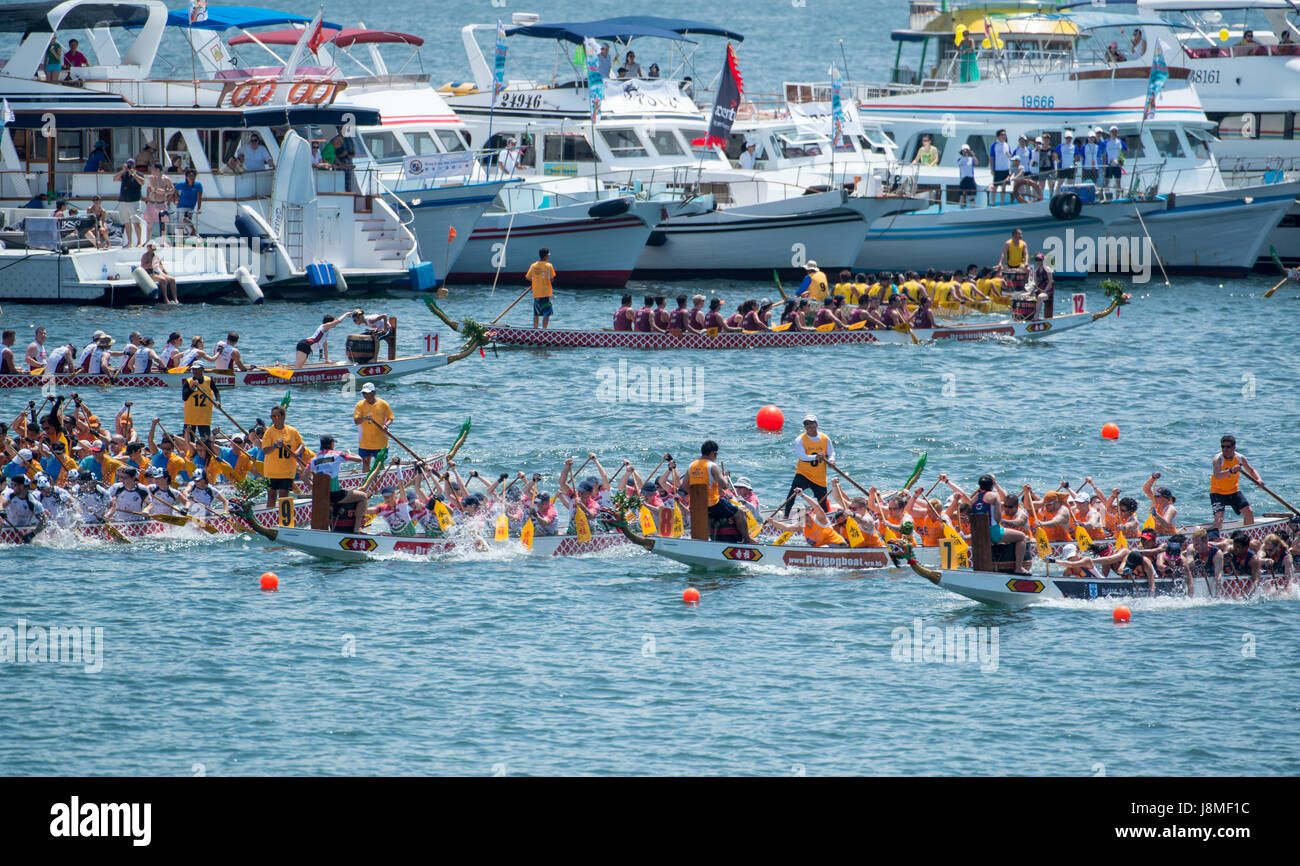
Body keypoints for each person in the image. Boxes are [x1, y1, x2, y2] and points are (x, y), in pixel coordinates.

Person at [688, 440, 754, 543]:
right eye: (716, 454)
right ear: (712, 453)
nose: (716, 456)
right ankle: (747, 539)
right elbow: (725, 485)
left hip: (696, 505)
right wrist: (724, 477)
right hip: (712, 505)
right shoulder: (712, 466)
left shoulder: (691, 466)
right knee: (740, 513)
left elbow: (683, 488)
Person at [308, 436, 369, 532]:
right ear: (332, 444)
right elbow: (359, 459)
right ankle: (357, 528)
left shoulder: (314, 459)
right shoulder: (338, 454)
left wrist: (314, 487)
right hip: (335, 495)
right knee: (363, 497)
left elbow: (303, 476)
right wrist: (351, 454)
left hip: (320, 496)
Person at [782, 414, 833, 517]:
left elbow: (831, 453)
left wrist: (831, 460)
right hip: (803, 473)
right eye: (806, 424)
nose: (808, 426)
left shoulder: (825, 438)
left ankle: (826, 519)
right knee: (792, 495)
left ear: (816, 424)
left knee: (823, 501)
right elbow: (802, 457)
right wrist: (816, 457)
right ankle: (786, 516)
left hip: (819, 476)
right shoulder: (800, 440)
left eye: (810, 423)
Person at [1210, 434, 1261, 529]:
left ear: (1234, 447)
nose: (1225, 449)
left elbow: (1251, 470)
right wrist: (1230, 470)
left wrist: (1258, 479)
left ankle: (1246, 537)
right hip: (1217, 492)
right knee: (1219, 519)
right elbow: (1217, 475)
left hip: (1234, 491)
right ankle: (1215, 539)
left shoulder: (1240, 458)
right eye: (1222, 446)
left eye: (1228, 447)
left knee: (1249, 513)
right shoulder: (1218, 459)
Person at [262, 404, 303, 511]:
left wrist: (297, 453)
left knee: (284, 496)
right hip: (271, 471)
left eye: (276, 416)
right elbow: (265, 450)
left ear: (283, 417)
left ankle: (284, 522)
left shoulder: (292, 431)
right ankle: (270, 519)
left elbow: (301, 445)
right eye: (272, 417)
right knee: (271, 497)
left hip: (287, 471)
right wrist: (275, 446)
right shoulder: (269, 432)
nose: (273, 419)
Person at [353, 382, 393, 472]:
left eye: (368, 393)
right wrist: (365, 418)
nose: (366, 395)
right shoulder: (360, 405)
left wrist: (386, 425)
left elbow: (391, 418)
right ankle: (366, 483)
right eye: (364, 393)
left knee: (379, 464)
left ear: (374, 392)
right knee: (366, 462)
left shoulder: (383, 404)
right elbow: (356, 421)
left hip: (380, 441)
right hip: (365, 441)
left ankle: (380, 482)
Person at [181, 362, 219, 439]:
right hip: (190, 417)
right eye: (193, 369)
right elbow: (184, 397)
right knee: (189, 441)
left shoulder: (208, 381)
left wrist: (218, 401)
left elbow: (216, 391)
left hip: (204, 417)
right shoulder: (188, 382)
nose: (195, 371)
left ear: (202, 370)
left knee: (206, 441)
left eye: (197, 369)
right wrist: (192, 388)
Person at [113, 159, 145, 247]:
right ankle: (129, 242)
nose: (130, 165)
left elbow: (142, 182)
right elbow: (115, 179)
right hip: (124, 202)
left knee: (136, 222)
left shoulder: (138, 174)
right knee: (127, 223)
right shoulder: (124, 175)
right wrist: (123, 170)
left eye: (131, 164)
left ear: (134, 165)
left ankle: (139, 242)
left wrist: (134, 174)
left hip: (134, 202)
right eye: (128, 164)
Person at [143, 164, 175, 240]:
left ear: (157, 169)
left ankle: (163, 241)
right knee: (149, 223)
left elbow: (173, 190)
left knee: (163, 223)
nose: (151, 170)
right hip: (151, 203)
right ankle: (148, 240)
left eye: (153, 169)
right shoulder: (151, 178)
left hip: (161, 204)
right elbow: (150, 188)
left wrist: (165, 192)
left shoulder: (166, 179)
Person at [526, 247, 555, 329]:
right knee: (547, 312)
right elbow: (552, 279)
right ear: (545, 256)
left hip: (536, 293)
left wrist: (536, 281)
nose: (549, 257)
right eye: (548, 255)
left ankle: (535, 328)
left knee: (536, 313)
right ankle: (544, 329)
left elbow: (528, 277)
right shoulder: (549, 266)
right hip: (545, 293)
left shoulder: (533, 265)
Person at [175, 168, 203, 236]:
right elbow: (173, 189)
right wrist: (175, 199)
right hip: (180, 206)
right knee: (179, 225)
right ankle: (179, 241)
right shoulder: (182, 184)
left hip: (190, 207)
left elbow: (199, 198)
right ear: (186, 177)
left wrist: (199, 208)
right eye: (190, 176)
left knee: (185, 219)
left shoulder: (198, 185)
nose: (191, 177)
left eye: (193, 176)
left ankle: (193, 230)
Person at [1102, 125, 1126, 195]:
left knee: (1118, 182)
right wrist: (1104, 165)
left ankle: (1118, 196)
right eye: (1112, 131)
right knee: (1107, 181)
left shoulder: (1120, 142)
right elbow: (1103, 154)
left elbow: (1126, 150)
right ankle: (1106, 195)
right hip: (1109, 165)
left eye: (1115, 131)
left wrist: (1121, 161)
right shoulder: (1105, 142)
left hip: (1117, 165)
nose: (1114, 133)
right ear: (1110, 133)